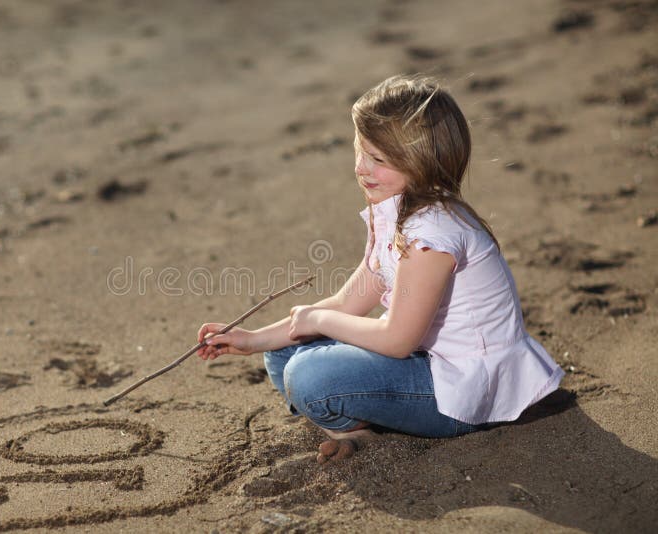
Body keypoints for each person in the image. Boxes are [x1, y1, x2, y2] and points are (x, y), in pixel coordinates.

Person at [196, 75, 564, 464]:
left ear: (422, 162)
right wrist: (252, 339)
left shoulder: (432, 234)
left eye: (379, 160)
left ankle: (361, 427)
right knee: (283, 353)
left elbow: (397, 341)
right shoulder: (394, 211)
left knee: (309, 376)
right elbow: (347, 302)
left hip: (465, 387)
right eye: (360, 151)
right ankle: (360, 429)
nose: (362, 169)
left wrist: (317, 317)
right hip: (425, 362)